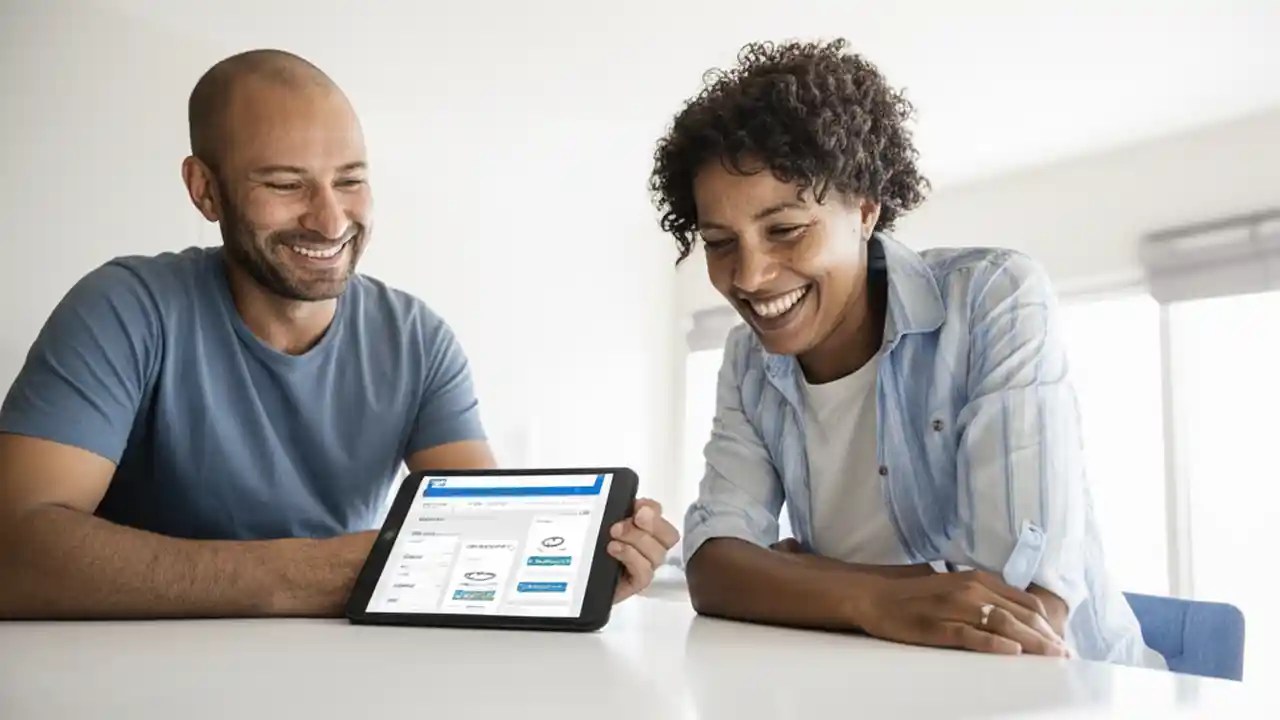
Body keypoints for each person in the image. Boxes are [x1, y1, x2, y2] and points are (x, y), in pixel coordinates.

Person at [0, 49, 679, 619]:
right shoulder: (123, 310)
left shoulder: (418, 340)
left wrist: (579, 574)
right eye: (285, 184)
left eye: (350, 181)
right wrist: (312, 572)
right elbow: (12, 551)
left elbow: (478, 541)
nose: (330, 221)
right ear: (205, 190)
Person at [650, 39, 1162, 667]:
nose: (750, 276)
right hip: (875, 683)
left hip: (1070, 691)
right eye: (720, 241)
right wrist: (876, 598)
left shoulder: (990, 299)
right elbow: (715, 569)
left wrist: (808, 578)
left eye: (785, 230)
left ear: (865, 211)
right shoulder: (748, 359)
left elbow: (1021, 608)